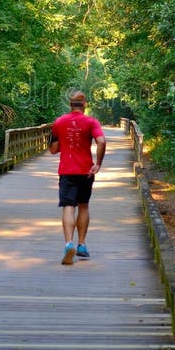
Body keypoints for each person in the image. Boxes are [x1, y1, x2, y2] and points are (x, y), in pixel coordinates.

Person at [49, 92, 106, 265]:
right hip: (86, 171)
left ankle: (68, 244)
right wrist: (98, 164)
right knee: (83, 206)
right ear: (85, 104)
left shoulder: (59, 122)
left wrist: (65, 142)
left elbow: (52, 149)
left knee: (68, 206)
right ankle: (81, 245)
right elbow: (102, 141)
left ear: (70, 104)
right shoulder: (91, 122)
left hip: (67, 171)